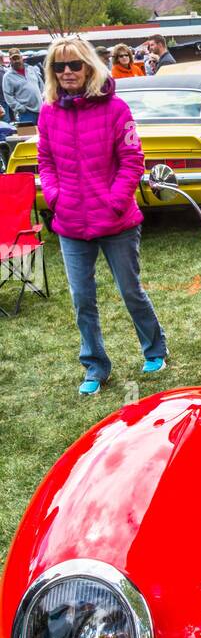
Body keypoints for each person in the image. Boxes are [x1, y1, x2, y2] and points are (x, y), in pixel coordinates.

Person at [37, 35, 168, 396]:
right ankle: (95, 365)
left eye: (74, 64)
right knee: (82, 299)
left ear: (88, 66)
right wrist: (55, 197)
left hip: (117, 222)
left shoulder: (116, 110)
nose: (66, 72)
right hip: (71, 223)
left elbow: (132, 161)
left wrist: (114, 200)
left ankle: (155, 348)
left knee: (131, 290)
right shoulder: (48, 111)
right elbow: (45, 161)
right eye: (58, 66)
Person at [2, 47, 44, 124]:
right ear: (10, 60)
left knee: (43, 134)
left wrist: (43, 99)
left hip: (41, 110)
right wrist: (20, 108)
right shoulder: (7, 76)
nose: (16, 61)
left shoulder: (31, 69)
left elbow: (41, 85)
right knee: (28, 135)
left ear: (21, 58)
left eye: (18, 58)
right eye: (14, 59)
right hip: (26, 113)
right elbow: (8, 96)